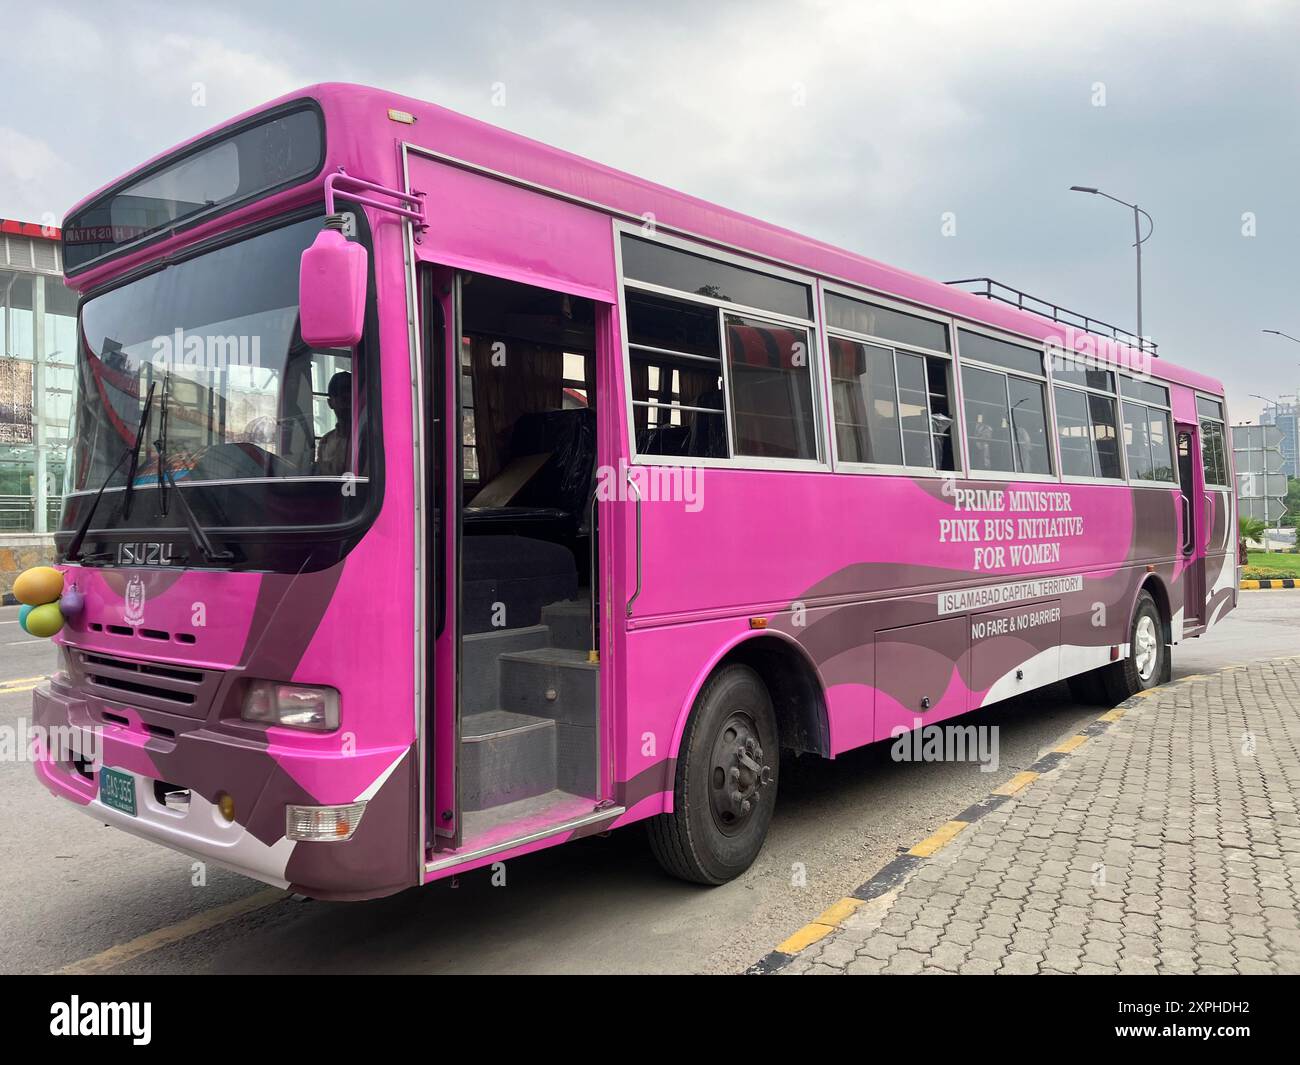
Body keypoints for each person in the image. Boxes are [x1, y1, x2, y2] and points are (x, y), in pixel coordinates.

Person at [316, 370, 352, 475]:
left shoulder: (367, 440)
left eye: (352, 399)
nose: (348, 405)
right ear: (330, 402)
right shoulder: (325, 441)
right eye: (344, 399)